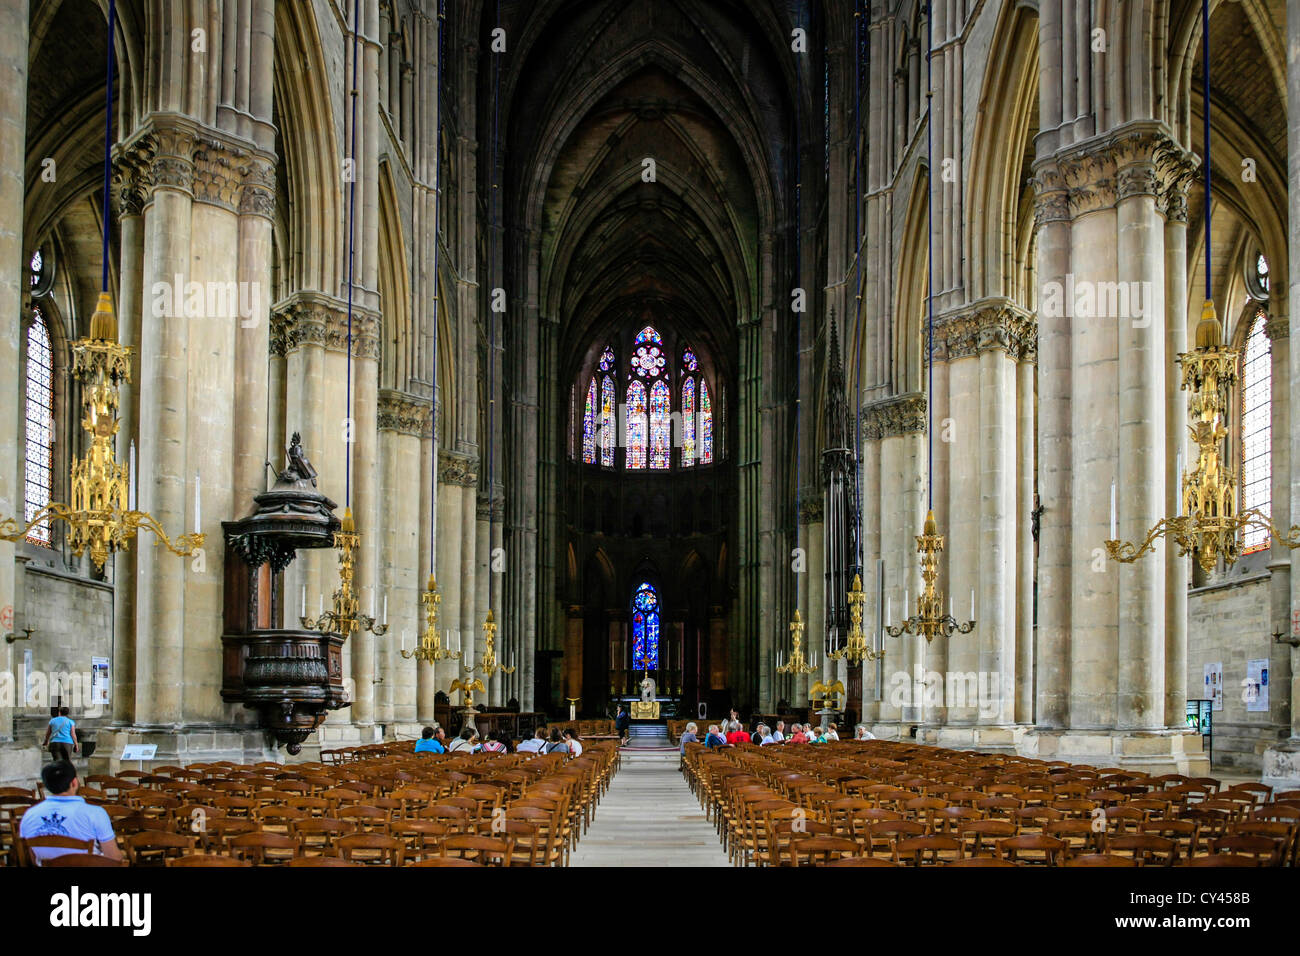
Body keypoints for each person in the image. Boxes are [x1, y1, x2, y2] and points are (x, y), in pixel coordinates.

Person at [20, 761, 121, 864]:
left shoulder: (29, 815)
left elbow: (32, 858)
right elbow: (113, 858)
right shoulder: (96, 813)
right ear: (74, 782)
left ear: (47, 785)